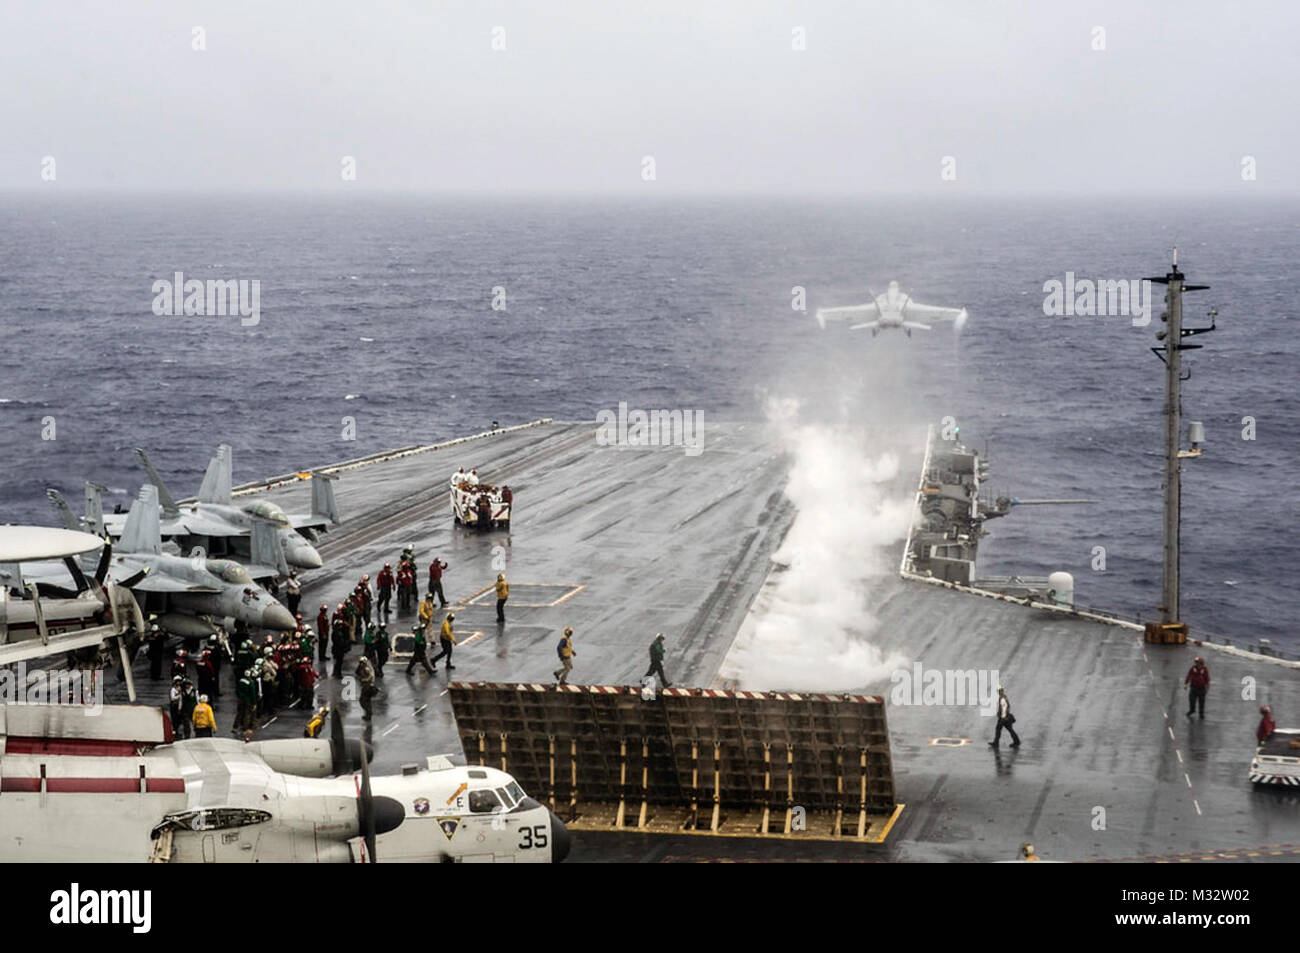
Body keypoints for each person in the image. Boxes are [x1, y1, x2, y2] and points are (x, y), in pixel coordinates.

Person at [355, 655, 378, 721]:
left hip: (367, 686)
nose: (360, 664)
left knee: (364, 700)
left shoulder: (366, 669)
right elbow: (357, 673)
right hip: (365, 686)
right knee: (366, 701)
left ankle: (368, 713)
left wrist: (365, 680)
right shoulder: (362, 668)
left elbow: (370, 676)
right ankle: (368, 713)